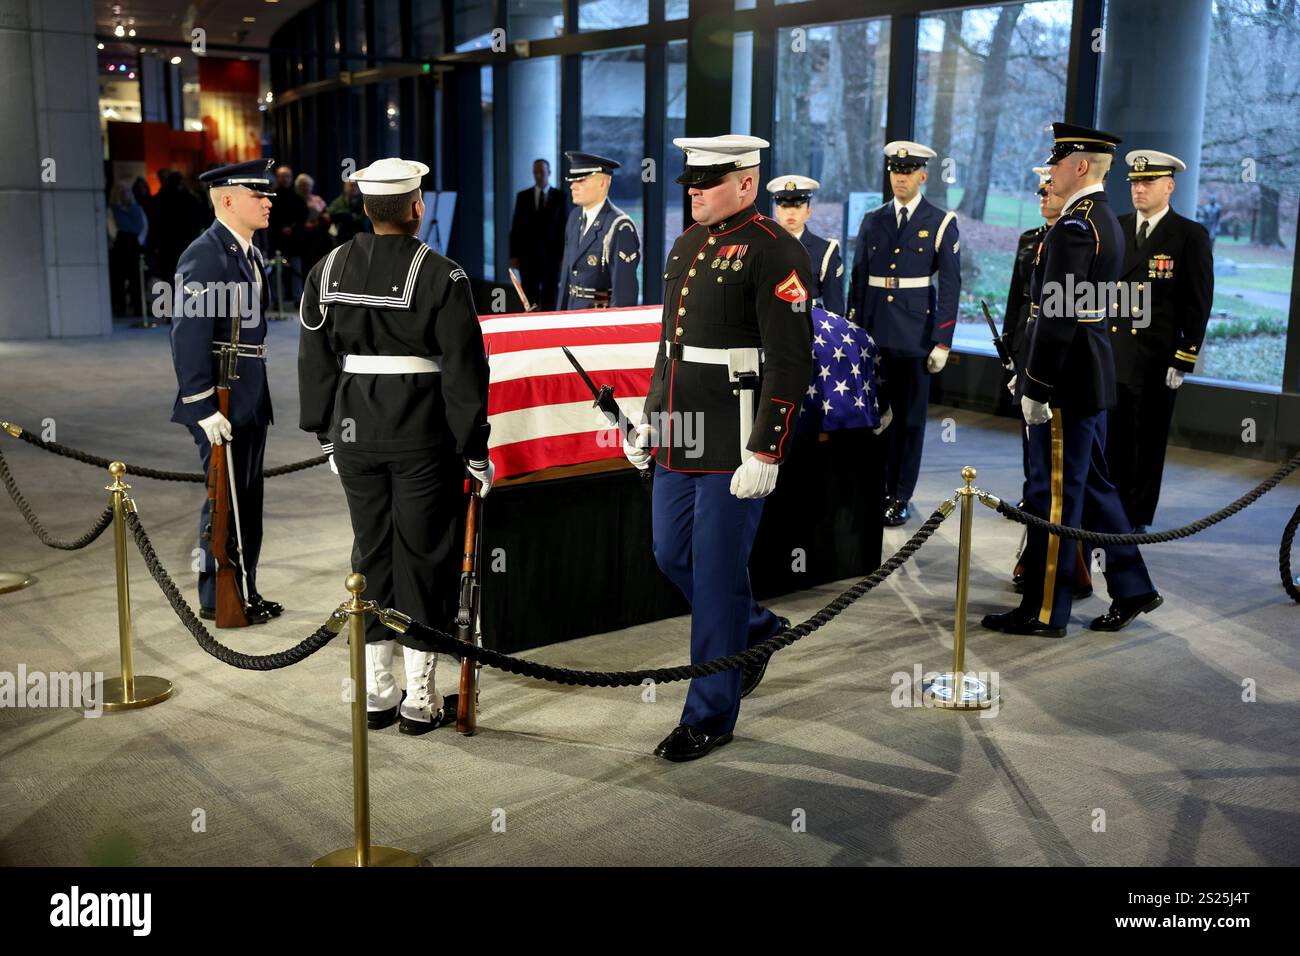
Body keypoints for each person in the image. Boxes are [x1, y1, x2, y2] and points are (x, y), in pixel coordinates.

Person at [626, 134, 811, 761]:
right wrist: (651, 420)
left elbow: (790, 360)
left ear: (747, 183)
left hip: (735, 437)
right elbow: (669, 347)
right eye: (691, 182)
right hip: (681, 428)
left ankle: (708, 715)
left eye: (708, 182)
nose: (695, 192)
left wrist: (767, 448)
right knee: (671, 553)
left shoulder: (775, 249)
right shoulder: (685, 244)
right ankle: (757, 629)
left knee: (713, 577)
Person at [298, 157, 493, 736]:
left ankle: (377, 693)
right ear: (417, 207)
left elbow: (314, 358)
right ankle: (419, 699)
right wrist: (474, 445)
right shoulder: (444, 275)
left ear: (364, 207)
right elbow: (464, 370)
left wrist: (325, 432)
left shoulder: (326, 269)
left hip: (354, 430)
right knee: (423, 557)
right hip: (421, 433)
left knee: (371, 553)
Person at [983, 123, 1162, 638]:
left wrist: (1035, 385)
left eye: (1056, 162)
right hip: (1088, 372)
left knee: (1054, 497)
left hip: (1065, 379)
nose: (1051, 171)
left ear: (1079, 166)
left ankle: (1045, 611)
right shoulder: (1104, 218)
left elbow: (1058, 316)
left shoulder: (1075, 227)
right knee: (1095, 487)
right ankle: (1133, 586)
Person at [168, 159, 281, 624]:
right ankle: (218, 596)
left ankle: (246, 589)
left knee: (247, 500)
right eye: (258, 195)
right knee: (223, 501)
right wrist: (202, 405)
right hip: (221, 397)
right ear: (228, 200)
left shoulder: (248, 253)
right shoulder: (206, 255)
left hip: (248, 392)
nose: (268, 202)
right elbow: (187, 334)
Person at [846, 141, 961, 527]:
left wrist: (943, 339)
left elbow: (951, 285)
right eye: (896, 170)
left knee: (910, 422)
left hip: (915, 337)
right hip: (875, 332)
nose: (900, 177)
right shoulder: (873, 219)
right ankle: (872, 486)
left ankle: (899, 494)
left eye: (908, 171)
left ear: (923, 176)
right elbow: (859, 279)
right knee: (873, 417)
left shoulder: (940, 221)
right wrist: (854, 330)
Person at [1107, 149, 1213, 533]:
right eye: (1135, 182)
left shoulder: (1188, 235)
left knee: (1146, 442)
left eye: (1148, 182)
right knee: (1113, 438)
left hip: (1156, 357)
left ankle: (1136, 517)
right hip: (1115, 352)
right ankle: (1110, 510)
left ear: (1169, 187)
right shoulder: (1116, 227)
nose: (1139, 189)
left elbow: (1198, 302)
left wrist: (1184, 356)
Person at [1004, 167, 1091, 598]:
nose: (1043, 197)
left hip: (1055, 370)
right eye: (1039, 192)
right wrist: (1012, 356)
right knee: (1035, 473)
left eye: (1048, 189)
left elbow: (1063, 315)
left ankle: (1062, 566)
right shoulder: (1031, 239)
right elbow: (1018, 302)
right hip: (1028, 356)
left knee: (1057, 480)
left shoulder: (1076, 235)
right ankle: (1035, 553)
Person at [556, 151, 640, 310]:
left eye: (581, 180)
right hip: (572, 314)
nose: (572, 186)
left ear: (602, 183)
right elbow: (566, 277)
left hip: (599, 317)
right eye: (573, 180)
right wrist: (559, 316)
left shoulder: (619, 227)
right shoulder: (574, 218)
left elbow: (623, 295)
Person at [765, 175, 845, 315]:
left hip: (810, 321)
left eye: (798, 205)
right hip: (770, 319)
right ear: (777, 211)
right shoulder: (763, 247)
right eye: (784, 206)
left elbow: (834, 305)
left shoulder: (825, 250)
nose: (791, 212)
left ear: (808, 211)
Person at [508, 158, 566, 310]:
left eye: (542, 172)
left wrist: (563, 257)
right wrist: (513, 256)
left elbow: (563, 229)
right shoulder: (523, 196)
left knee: (550, 297)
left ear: (549, 172)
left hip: (551, 258)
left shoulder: (560, 197)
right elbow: (516, 228)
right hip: (528, 257)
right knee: (529, 298)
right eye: (536, 172)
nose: (539, 175)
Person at [107, 182, 149, 317]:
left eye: (127, 191)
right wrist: (121, 239)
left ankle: (138, 307)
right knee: (118, 279)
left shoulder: (137, 209)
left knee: (137, 279)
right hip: (120, 246)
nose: (126, 194)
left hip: (134, 246)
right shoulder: (112, 210)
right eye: (122, 191)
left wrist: (137, 241)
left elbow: (144, 226)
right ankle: (120, 307)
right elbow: (111, 229)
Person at [268, 164, 308, 304]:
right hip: (277, 239)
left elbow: (303, 215)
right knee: (276, 271)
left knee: (296, 270)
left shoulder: (297, 196)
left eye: (288, 176)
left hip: (294, 240)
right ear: (277, 177)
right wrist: (281, 228)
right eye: (282, 176)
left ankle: (298, 298)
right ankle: (277, 299)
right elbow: (269, 217)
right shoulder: (271, 196)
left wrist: (292, 228)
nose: (285, 179)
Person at [295, 172, 333, 272]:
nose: (305, 188)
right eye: (302, 185)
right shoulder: (294, 200)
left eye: (307, 185)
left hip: (319, 236)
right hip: (303, 238)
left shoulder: (317, 199)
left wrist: (322, 218)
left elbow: (327, 214)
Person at [326, 179, 371, 244]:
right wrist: (345, 215)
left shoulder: (364, 201)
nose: (353, 188)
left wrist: (347, 216)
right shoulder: (340, 200)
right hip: (342, 235)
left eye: (356, 186)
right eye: (351, 185)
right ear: (345, 187)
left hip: (361, 234)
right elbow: (330, 213)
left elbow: (361, 218)